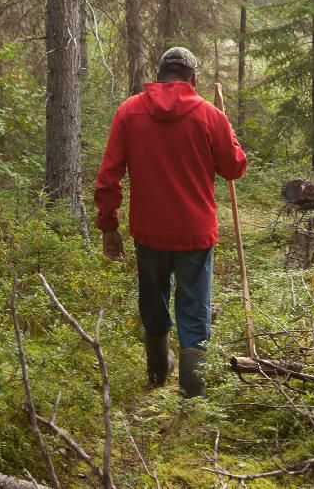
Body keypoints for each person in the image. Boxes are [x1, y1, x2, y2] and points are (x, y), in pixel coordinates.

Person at [94, 47, 247, 397]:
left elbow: (108, 177)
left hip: (149, 232)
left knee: (153, 299)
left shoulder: (129, 112)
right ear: (193, 79)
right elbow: (234, 167)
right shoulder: (210, 116)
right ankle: (192, 395)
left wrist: (108, 225)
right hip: (195, 232)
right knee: (194, 306)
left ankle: (158, 372)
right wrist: (230, 135)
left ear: (160, 74)